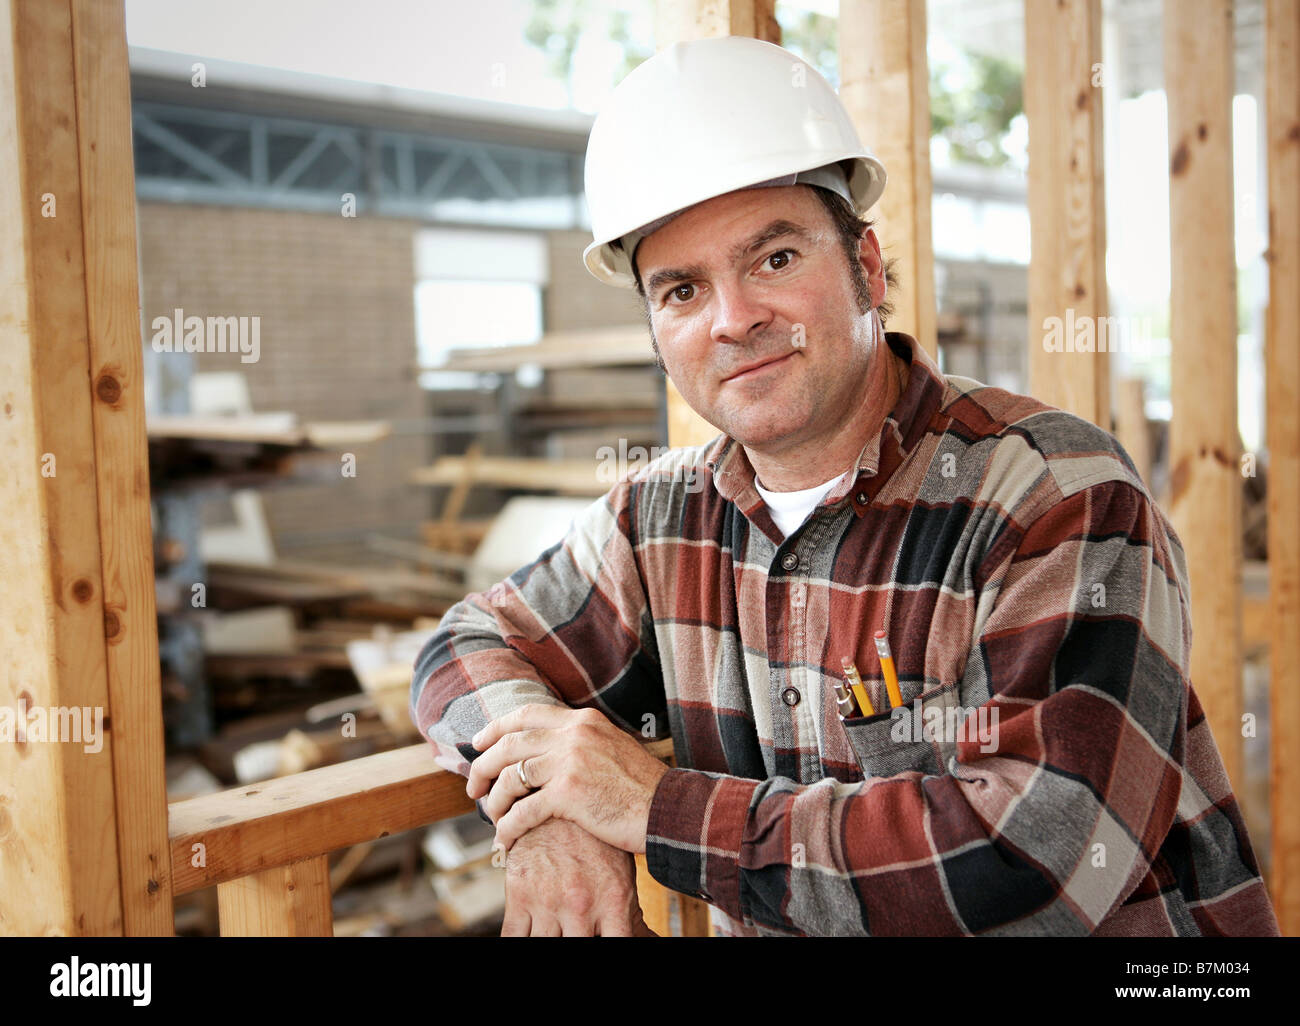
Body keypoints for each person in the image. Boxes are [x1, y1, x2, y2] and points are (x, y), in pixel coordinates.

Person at [410, 35, 1279, 937]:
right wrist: (550, 804)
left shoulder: (1055, 496)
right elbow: (462, 645)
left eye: (775, 259)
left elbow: (1038, 858)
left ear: (866, 266)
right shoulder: (660, 520)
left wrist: (652, 809)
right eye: (680, 291)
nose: (734, 318)